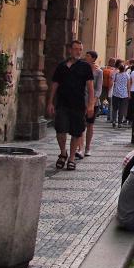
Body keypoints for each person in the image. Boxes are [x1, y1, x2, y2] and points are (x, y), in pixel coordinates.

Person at [47, 40, 94, 171]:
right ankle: (63, 152)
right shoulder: (61, 66)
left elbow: (90, 88)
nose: (78, 51)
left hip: (78, 104)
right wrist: (50, 102)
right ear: (70, 50)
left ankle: (72, 158)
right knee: (60, 130)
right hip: (62, 103)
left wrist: (90, 105)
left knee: (76, 132)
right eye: (76, 49)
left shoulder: (85, 67)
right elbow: (55, 84)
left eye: (80, 49)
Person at [81, 50, 104, 158]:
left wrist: (93, 101)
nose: (86, 57)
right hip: (81, 100)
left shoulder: (98, 72)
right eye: (86, 55)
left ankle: (88, 147)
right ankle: (80, 147)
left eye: (88, 56)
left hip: (93, 102)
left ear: (93, 58)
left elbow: (99, 89)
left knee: (90, 125)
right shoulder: (81, 68)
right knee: (80, 124)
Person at [110, 62, 130, 128]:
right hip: (124, 94)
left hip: (116, 93)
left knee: (115, 108)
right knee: (122, 109)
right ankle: (119, 123)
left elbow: (112, 82)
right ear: (124, 68)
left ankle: (113, 121)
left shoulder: (116, 75)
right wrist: (129, 94)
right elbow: (128, 85)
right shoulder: (127, 75)